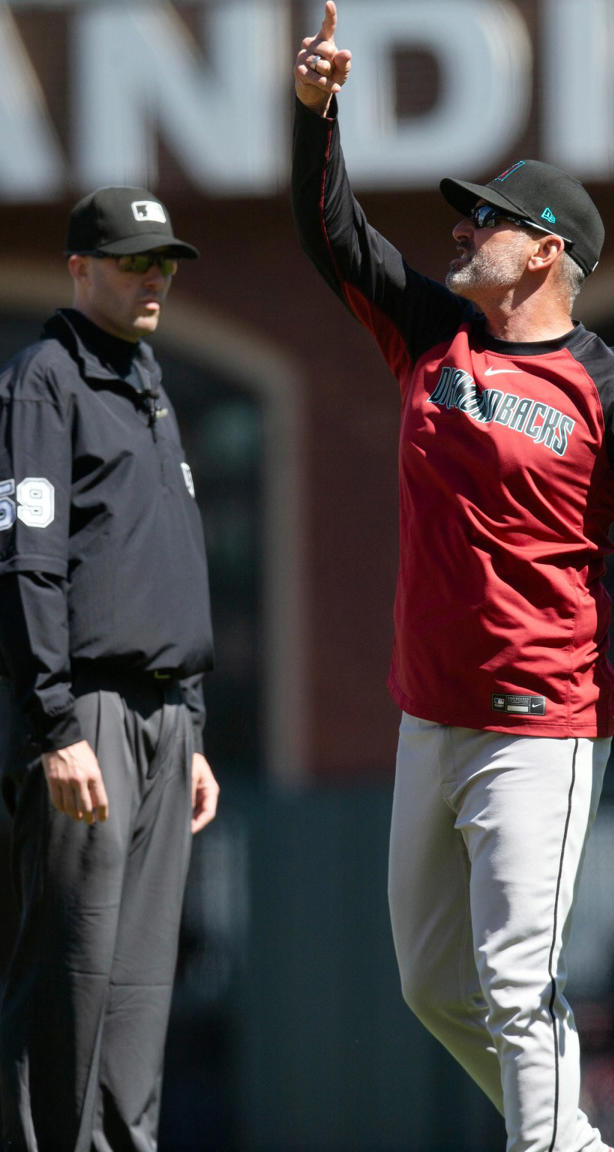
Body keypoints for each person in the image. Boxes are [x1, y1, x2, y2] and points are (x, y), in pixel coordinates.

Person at [291, 4, 614, 1151]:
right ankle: (578, 1145)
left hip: (542, 723)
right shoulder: (437, 335)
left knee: (514, 985)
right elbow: (334, 233)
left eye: (488, 219)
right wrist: (316, 116)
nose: (464, 231)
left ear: (547, 249)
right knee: (432, 985)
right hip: (428, 718)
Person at [0, 185, 219, 1152]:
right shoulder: (45, 378)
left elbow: (167, 569)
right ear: (80, 267)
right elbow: (26, 561)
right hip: (83, 716)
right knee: (72, 974)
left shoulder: (149, 383)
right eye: (134, 259)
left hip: (166, 723)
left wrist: (195, 728)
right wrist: (52, 726)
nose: (154, 275)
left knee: (137, 987)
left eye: (163, 260)